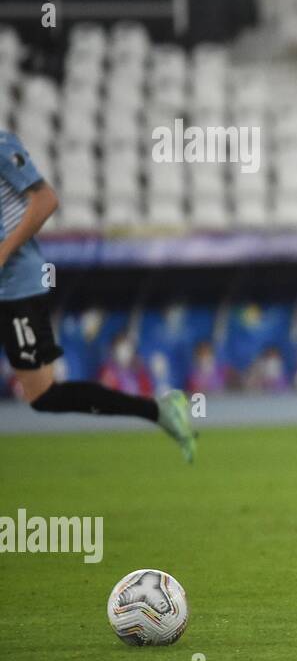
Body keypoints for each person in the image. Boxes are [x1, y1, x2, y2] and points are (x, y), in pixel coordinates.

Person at [0, 130, 196, 461]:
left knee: (44, 395)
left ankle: (158, 410)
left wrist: (3, 253)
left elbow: (46, 199)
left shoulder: (3, 146)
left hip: (17, 285)